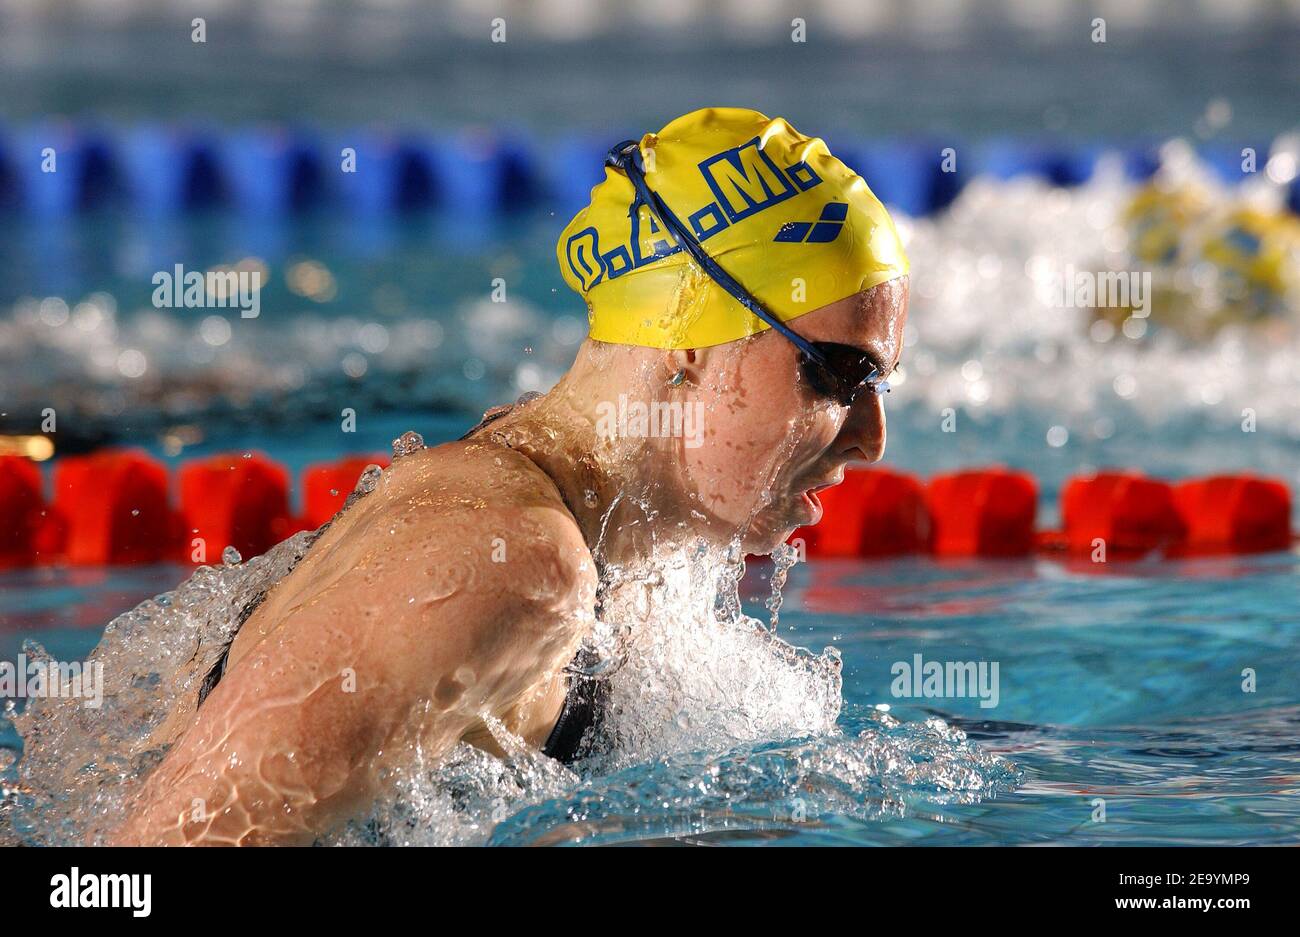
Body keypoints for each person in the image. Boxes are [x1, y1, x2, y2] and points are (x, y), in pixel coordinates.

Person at [107, 107, 910, 845]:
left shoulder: (610, 541)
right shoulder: (511, 562)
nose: (873, 439)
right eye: (841, 375)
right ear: (691, 337)